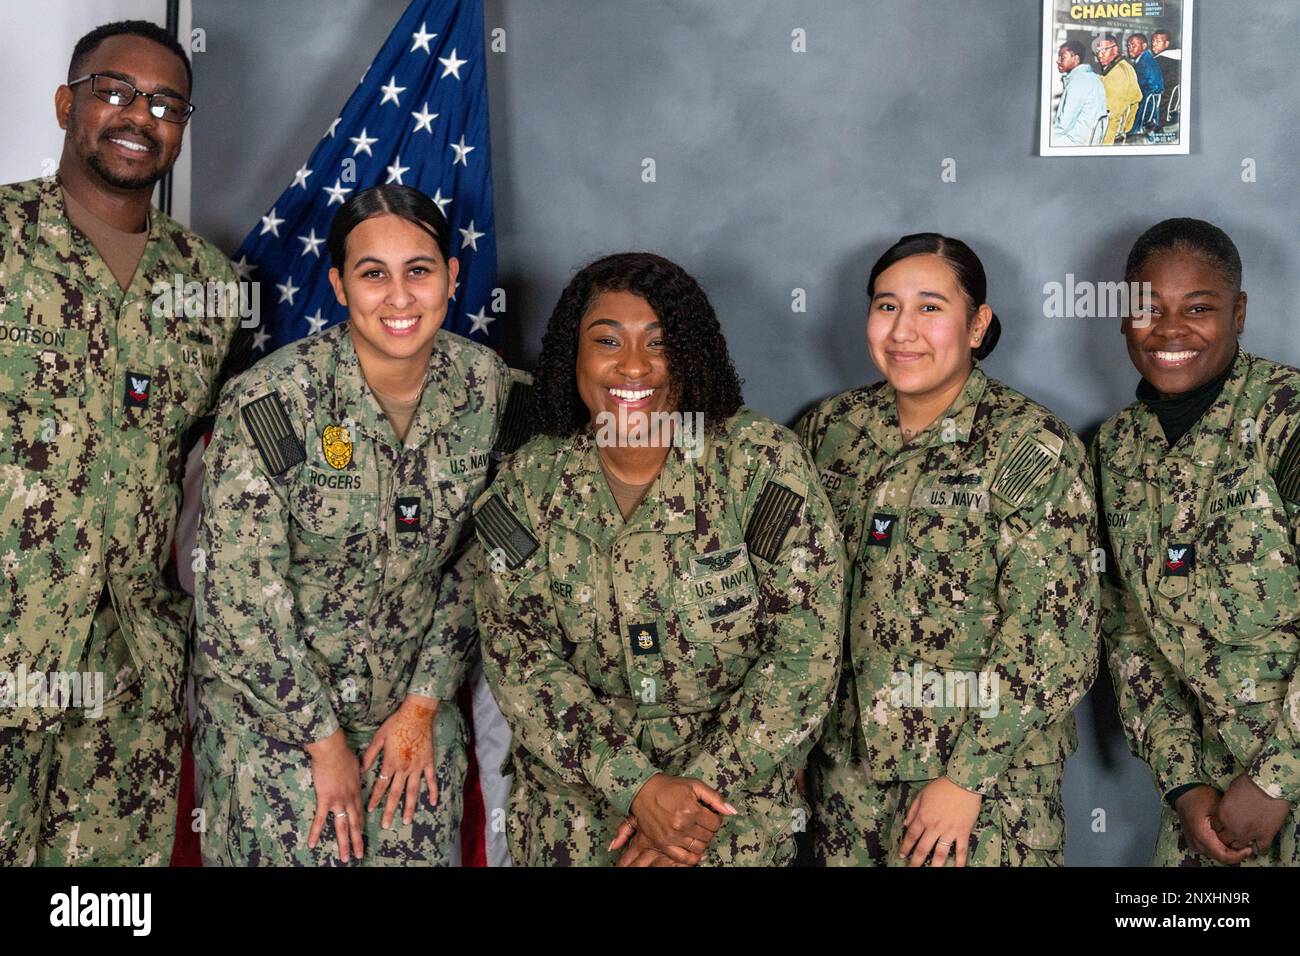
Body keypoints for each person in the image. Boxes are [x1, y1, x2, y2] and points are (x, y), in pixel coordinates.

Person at [191, 185, 526, 865]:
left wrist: (426, 701)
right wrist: (321, 740)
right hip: (275, 731)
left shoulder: (487, 390)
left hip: (412, 720)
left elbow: (483, 560)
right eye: (373, 274)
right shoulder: (273, 401)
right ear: (340, 286)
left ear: (452, 277)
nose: (399, 297)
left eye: (420, 271)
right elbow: (237, 595)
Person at [474, 252, 844, 866]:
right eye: (607, 341)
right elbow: (518, 660)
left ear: (691, 354)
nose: (633, 365)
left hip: (729, 827)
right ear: (574, 354)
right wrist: (638, 789)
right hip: (577, 825)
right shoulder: (529, 481)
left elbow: (807, 651)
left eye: (658, 343)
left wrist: (687, 809)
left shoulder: (758, 463)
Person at [0, 19, 243, 866]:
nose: (139, 115)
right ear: (69, 103)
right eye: (115, 92)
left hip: (128, 678)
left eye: (166, 103)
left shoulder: (210, 289)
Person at [800, 233, 1100, 867]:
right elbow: (798, 604)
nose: (904, 330)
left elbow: (1057, 640)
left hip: (980, 797)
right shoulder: (832, 431)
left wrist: (965, 778)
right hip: (846, 786)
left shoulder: (1027, 445)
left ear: (976, 325)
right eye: (886, 306)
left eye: (931, 307)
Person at [1095, 218, 1300, 866]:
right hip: (1210, 808)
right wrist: (1183, 783)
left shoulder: (1285, 416)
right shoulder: (1116, 449)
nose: (1171, 330)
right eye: (1148, 310)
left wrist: (1275, 779)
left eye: (1199, 309)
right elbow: (1127, 628)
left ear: (1238, 313)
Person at [1052, 39, 1108, 147]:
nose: (1058, 61)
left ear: (1076, 59)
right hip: (1092, 138)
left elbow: (1063, 125)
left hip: (1077, 141)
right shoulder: (1092, 77)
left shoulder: (1078, 82)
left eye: (1062, 57)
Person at [1095, 33, 1142, 145]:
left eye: (1104, 50)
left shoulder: (1117, 74)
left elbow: (1112, 115)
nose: (1100, 55)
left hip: (1111, 132)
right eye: (1098, 52)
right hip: (1121, 126)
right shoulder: (1124, 66)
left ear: (1115, 50)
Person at [1125, 33, 1164, 138]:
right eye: (1128, 46)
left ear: (1144, 46)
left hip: (1144, 108)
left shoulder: (1143, 64)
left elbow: (1137, 90)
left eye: (1134, 46)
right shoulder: (1147, 59)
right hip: (1152, 108)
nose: (1130, 49)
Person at [1150, 30, 1181, 129]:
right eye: (1153, 41)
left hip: (1162, 113)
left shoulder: (1158, 62)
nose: (1153, 44)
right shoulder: (1181, 57)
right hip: (1176, 110)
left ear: (1167, 43)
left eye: (1157, 41)